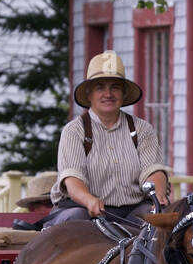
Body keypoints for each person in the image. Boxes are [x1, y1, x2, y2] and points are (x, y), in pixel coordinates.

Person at [48, 50, 172, 225]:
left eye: (115, 87)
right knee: (77, 220)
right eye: (100, 87)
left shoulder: (142, 129)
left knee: (157, 221)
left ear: (123, 93)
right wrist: (89, 200)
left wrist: (157, 194)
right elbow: (72, 179)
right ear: (89, 94)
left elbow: (153, 170)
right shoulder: (74, 131)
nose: (108, 94)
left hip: (133, 209)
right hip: (84, 209)